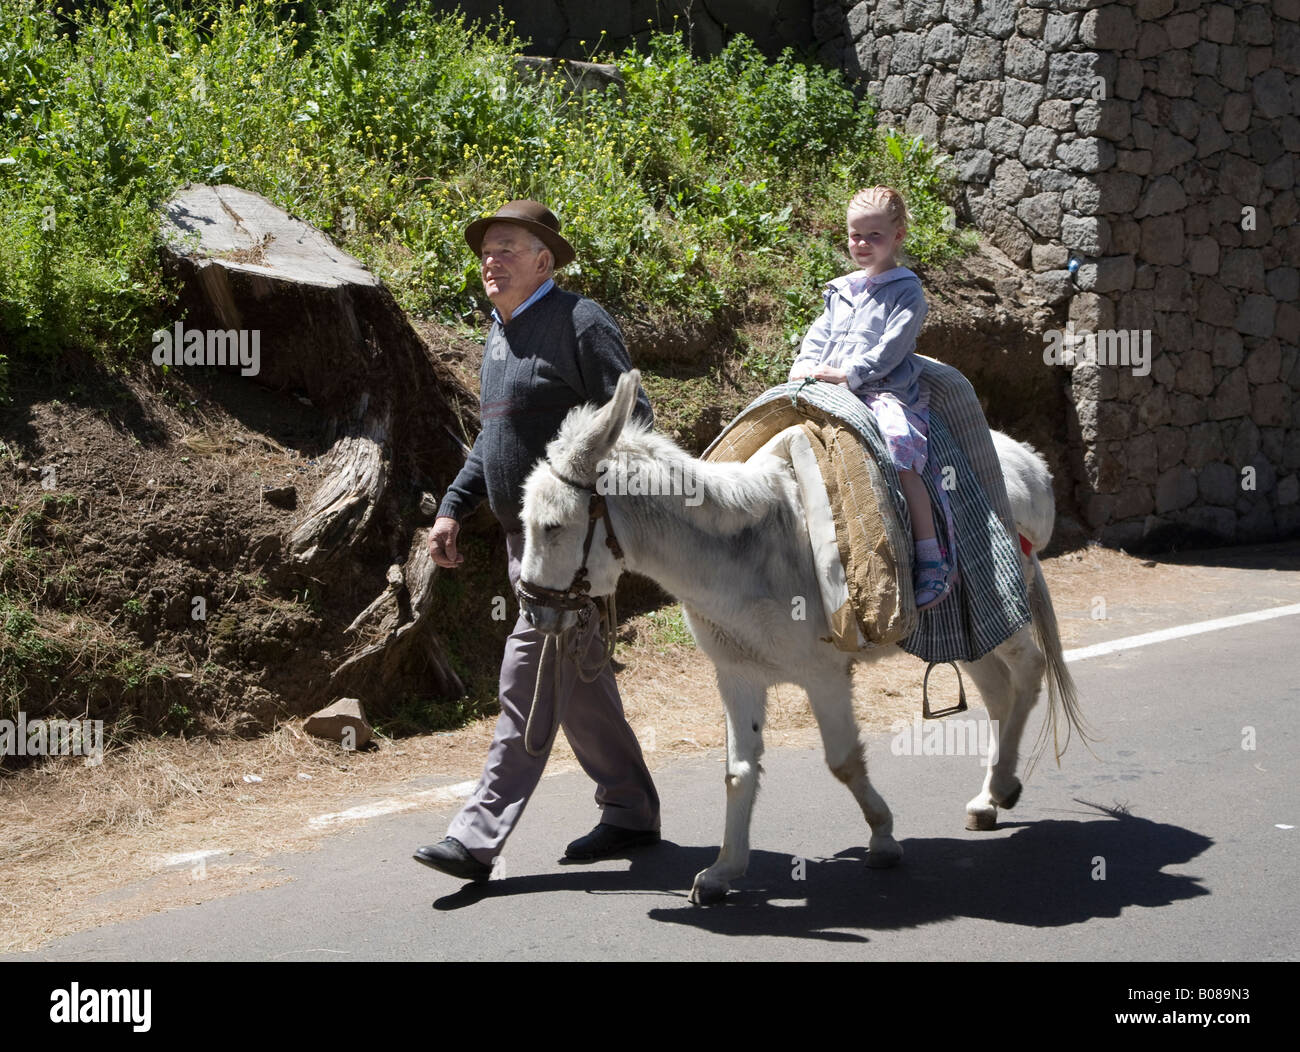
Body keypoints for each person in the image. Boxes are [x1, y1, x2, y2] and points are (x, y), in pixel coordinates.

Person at [414, 200, 661, 883]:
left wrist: (592, 510)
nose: (491, 260)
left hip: (571, 547)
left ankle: (476, 834)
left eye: (508, 249)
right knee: (580, 683)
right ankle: (632, 808)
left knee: (526, 673)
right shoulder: (499, 335)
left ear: (543, 260)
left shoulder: (580, 322)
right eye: (486, 250)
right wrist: (453, 509)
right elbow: (490, 443)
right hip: (524, 543)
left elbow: (632, 417)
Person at [789, 185, 955, 610]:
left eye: (873, 236)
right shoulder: (840, 290)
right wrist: (803, 368)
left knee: (900, 451)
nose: (861, 244)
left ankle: (930, 555)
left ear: (897, 236)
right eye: (854, 235)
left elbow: (893, 347)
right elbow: (817, 337)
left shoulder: (907, 291)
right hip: (827, 386)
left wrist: (851, 374)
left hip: (881, 391)